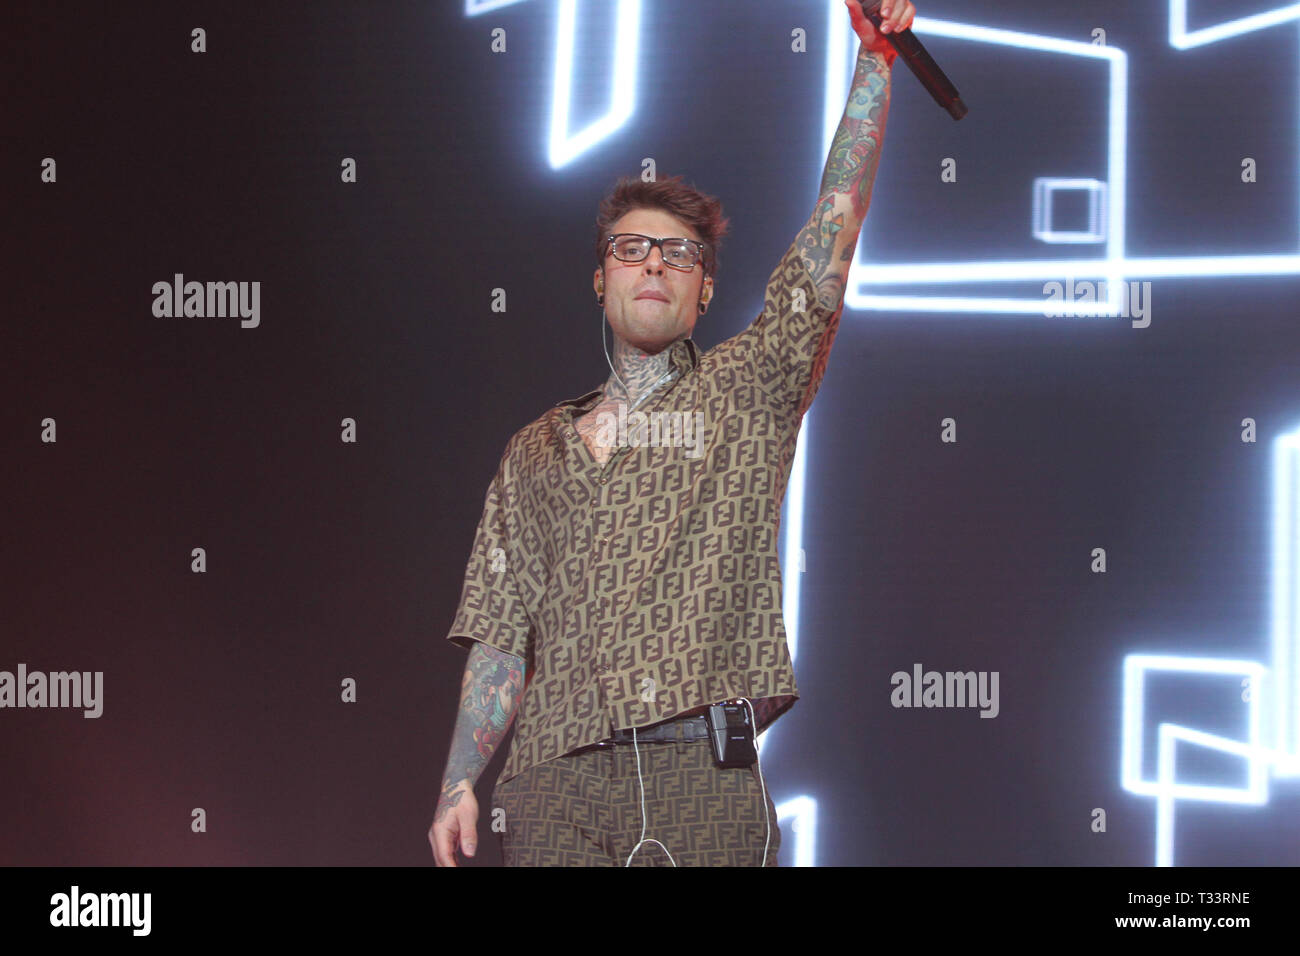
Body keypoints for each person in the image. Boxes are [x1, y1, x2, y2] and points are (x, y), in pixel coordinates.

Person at [430, 0, 916, 867]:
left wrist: (875, 62)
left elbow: (832, 229)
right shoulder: (534, 450)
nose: (654, 261)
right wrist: (459, 779)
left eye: (680, 254)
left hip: (704, 776)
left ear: (704, 294)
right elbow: (501, 635)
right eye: (630, 248)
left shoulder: (747, 392)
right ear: (598, 279)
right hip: (554, 783)